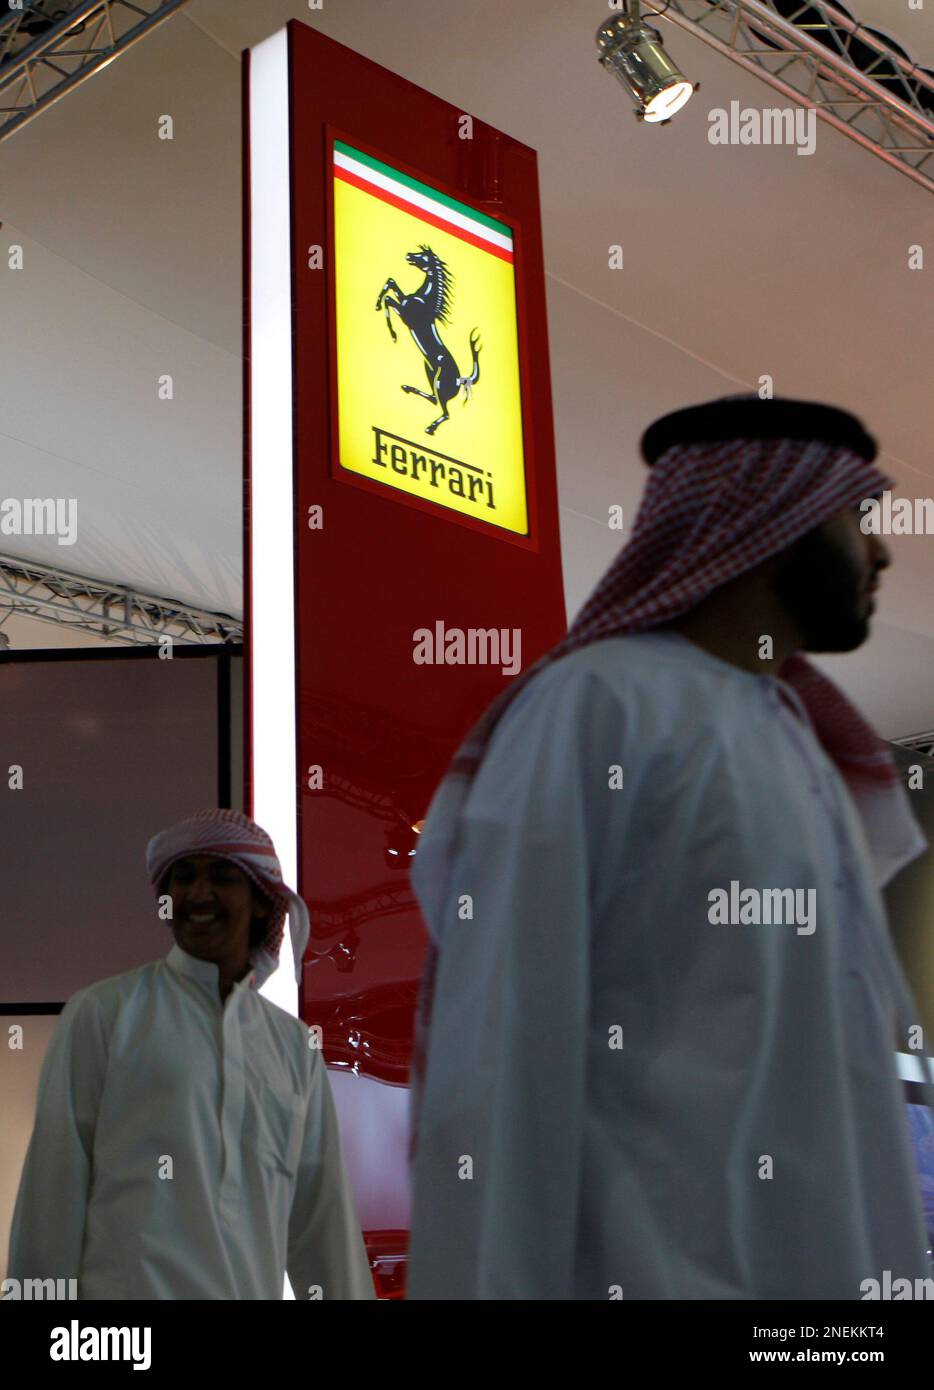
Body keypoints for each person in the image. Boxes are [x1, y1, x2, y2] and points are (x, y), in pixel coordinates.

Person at [407, 393, 934, 1300]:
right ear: (779, 519)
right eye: (858, 517)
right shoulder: (599, 706)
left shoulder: (794, 735)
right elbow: (503, 1049)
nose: (882, 551)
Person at [7, 808, 375, 1300]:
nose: (198, 895)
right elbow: (51, 1201)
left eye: (222, 878)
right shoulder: (103, 1014)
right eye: (184, 878)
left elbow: (323, 1227)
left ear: (264, 904)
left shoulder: (293, 1049)